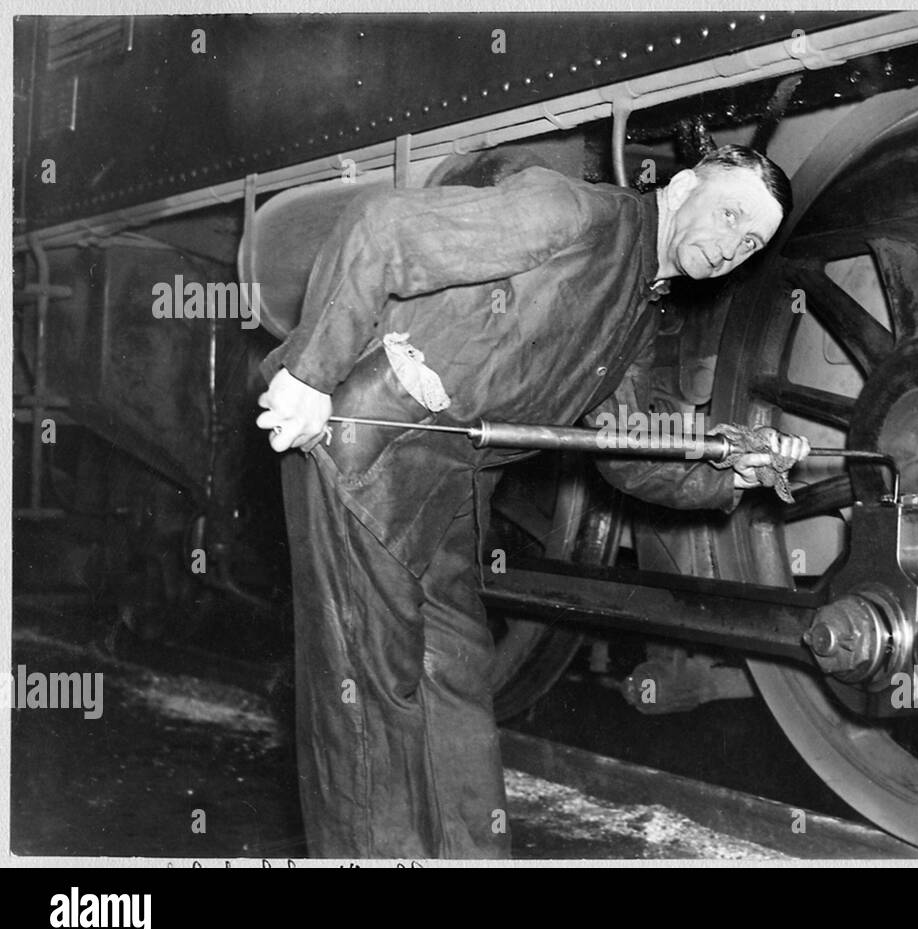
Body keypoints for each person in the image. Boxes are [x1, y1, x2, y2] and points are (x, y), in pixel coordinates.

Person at [255, 144, 809, 858]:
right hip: (370, 446)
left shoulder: (638, 311)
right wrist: (310, 372)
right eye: (732, 212)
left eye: (752, 241)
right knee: (371, 686)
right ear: (681, 184)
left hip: (450, 479)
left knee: (454, 677)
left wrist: (732, 472)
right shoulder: (574, 211)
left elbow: (625, 449)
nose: (735, 244)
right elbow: (384, 225)